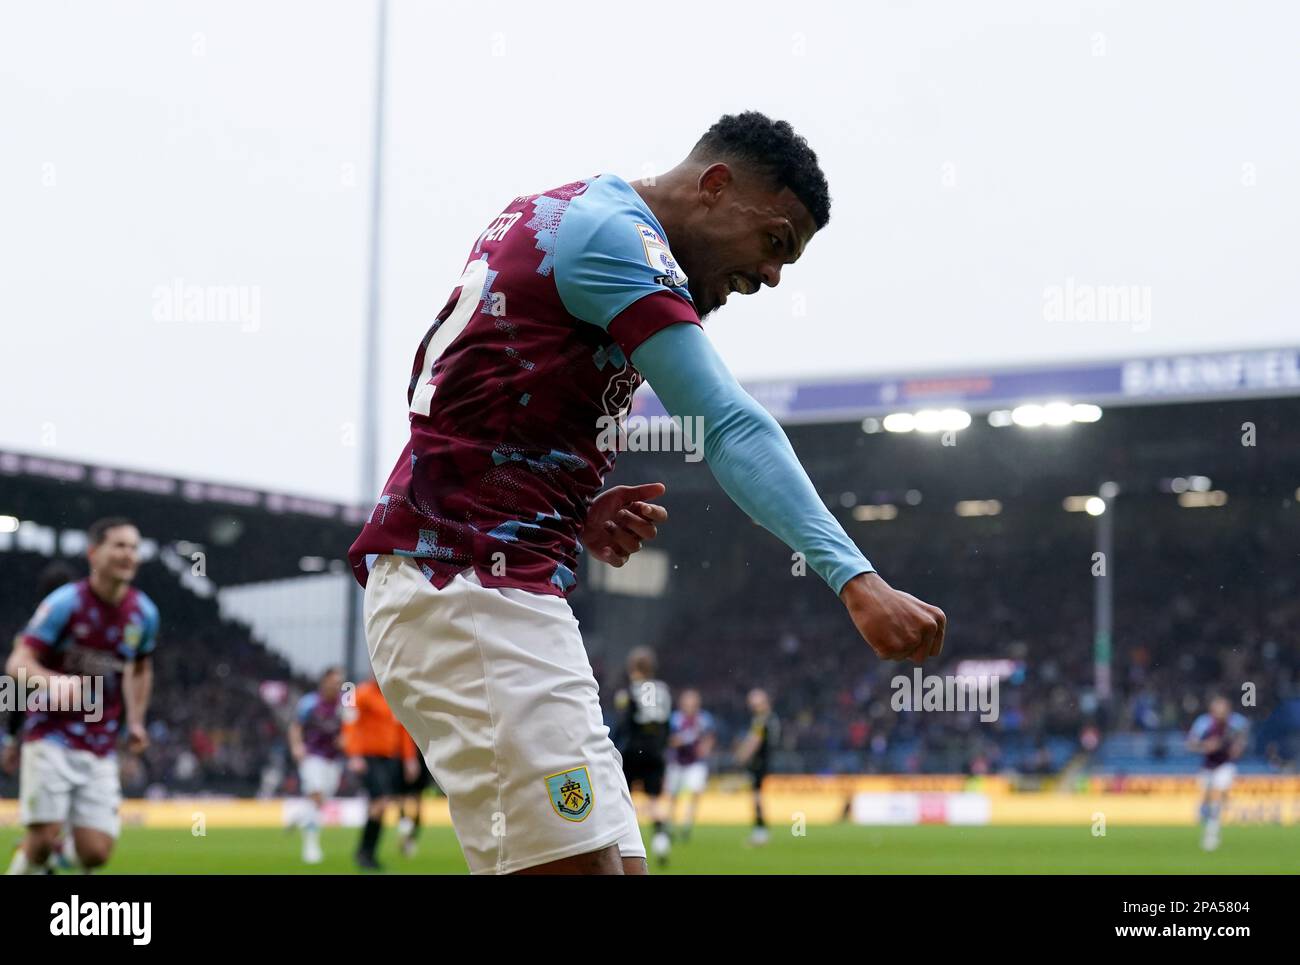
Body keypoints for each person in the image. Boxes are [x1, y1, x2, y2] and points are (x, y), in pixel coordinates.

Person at [351, 111, 946, 875]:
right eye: (775, 243)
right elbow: (728, 425)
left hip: (506, 584)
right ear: (716, 186)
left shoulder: (568, 213)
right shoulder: (615, 237)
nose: (771, 277)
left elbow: (459, 387)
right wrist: (855, 576)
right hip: (465, 588)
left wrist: (558, 503)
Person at [5, 519, 158, 875]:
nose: (128, 554)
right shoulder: (65, 604)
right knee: (40, 839)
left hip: (100, 739)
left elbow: (140, 669)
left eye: (134, 547)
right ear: (94, 553)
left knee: (96, 854)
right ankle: (40, 854)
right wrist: (50, 682)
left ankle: (57, 854)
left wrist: (135, 721)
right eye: (119, 546)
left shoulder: (145, 614)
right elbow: (17, 663)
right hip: (51, 733)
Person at [342, 674, 419, 870]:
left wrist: (409, 758)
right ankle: (365, 853)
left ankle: (368, 853)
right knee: (381, 802)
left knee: (382, 805)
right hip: (369, 757)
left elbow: (404, 729)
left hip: (389, 758)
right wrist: (354, 754)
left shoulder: (393, 697)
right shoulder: (361, 694)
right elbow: (350, 724)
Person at [612, 648, 672, 865]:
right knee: (655, 799)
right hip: (656, 748)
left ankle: (623, 845)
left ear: (632, 668)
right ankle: (661, 841)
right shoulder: (664, 690)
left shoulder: (627, 692)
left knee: (623, 798)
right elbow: (666, 723)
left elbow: (624, 723)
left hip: (633, 748)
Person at [289, 667, 345, 865]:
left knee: (321, 801)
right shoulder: (309, 702)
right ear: (324, 682)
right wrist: (297, 746)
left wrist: (347, 741)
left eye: (340, 681)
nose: (337, 685)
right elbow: (296, 726)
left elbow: (350, 727)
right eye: (333, 681)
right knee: (317, 794)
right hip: (313, 756)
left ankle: (298, 815)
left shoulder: (344, 704)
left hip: (334, 759)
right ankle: (311, 846)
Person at [1186, 695, 1249, 852]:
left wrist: (1238, 749)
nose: (1220, 715)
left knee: (1217, 794)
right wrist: (1205, 746)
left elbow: (1243, 741)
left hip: (1226, 765)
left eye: (1223, 711)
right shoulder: (1203, 723)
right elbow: (1191, 744)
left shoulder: (1237, 722)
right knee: (1207, 799)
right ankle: (1210, 815)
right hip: (1207, 766)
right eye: (1217, 712)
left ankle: (1212, 833)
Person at [665, 688, 715, 843]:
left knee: (695, 793)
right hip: (677, 762)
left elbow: (710, 736)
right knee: (673, 795)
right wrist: (682, 740)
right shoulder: (675, 719)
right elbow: (669, 739)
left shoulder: (704, 718)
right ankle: (670, 825)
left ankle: (687, 824)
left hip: (695, 763)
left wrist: (706, 748)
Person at [734, 688, 779, 846]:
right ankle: (760, 831)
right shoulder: (771, 718)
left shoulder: (761, 720)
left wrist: (742, 755)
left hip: (759, 763)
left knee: (757, 797)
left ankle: (760, 832)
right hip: (765, 761)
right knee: (756, 796)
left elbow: (755, 740)